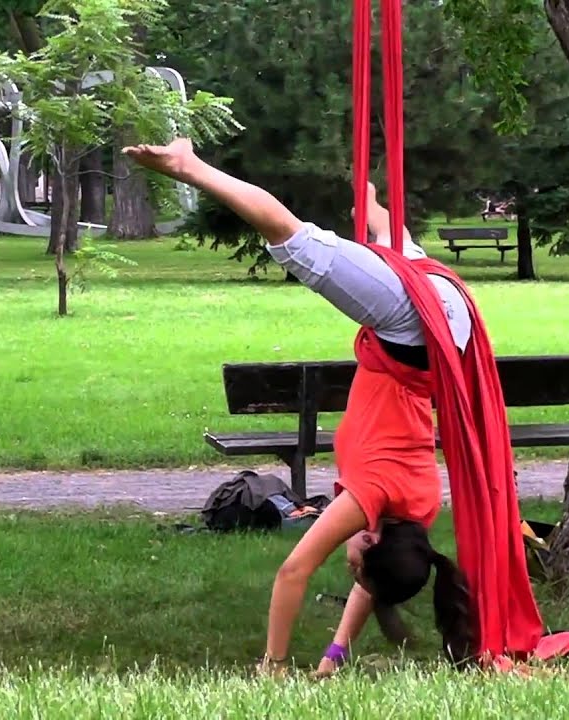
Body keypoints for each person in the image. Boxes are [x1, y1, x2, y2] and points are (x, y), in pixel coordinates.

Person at [123, 138, 498, 676]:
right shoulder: (371, 498)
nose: (351, 573)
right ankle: (189, 164)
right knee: (294, 241)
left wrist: (332, 657)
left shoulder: (416, 515)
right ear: (369, 542)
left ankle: (368, 204)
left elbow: (378, 579)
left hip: (447, 317)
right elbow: (294, 571)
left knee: (392, 239)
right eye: (358, 569)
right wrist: (275, 663)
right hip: (412, 327)